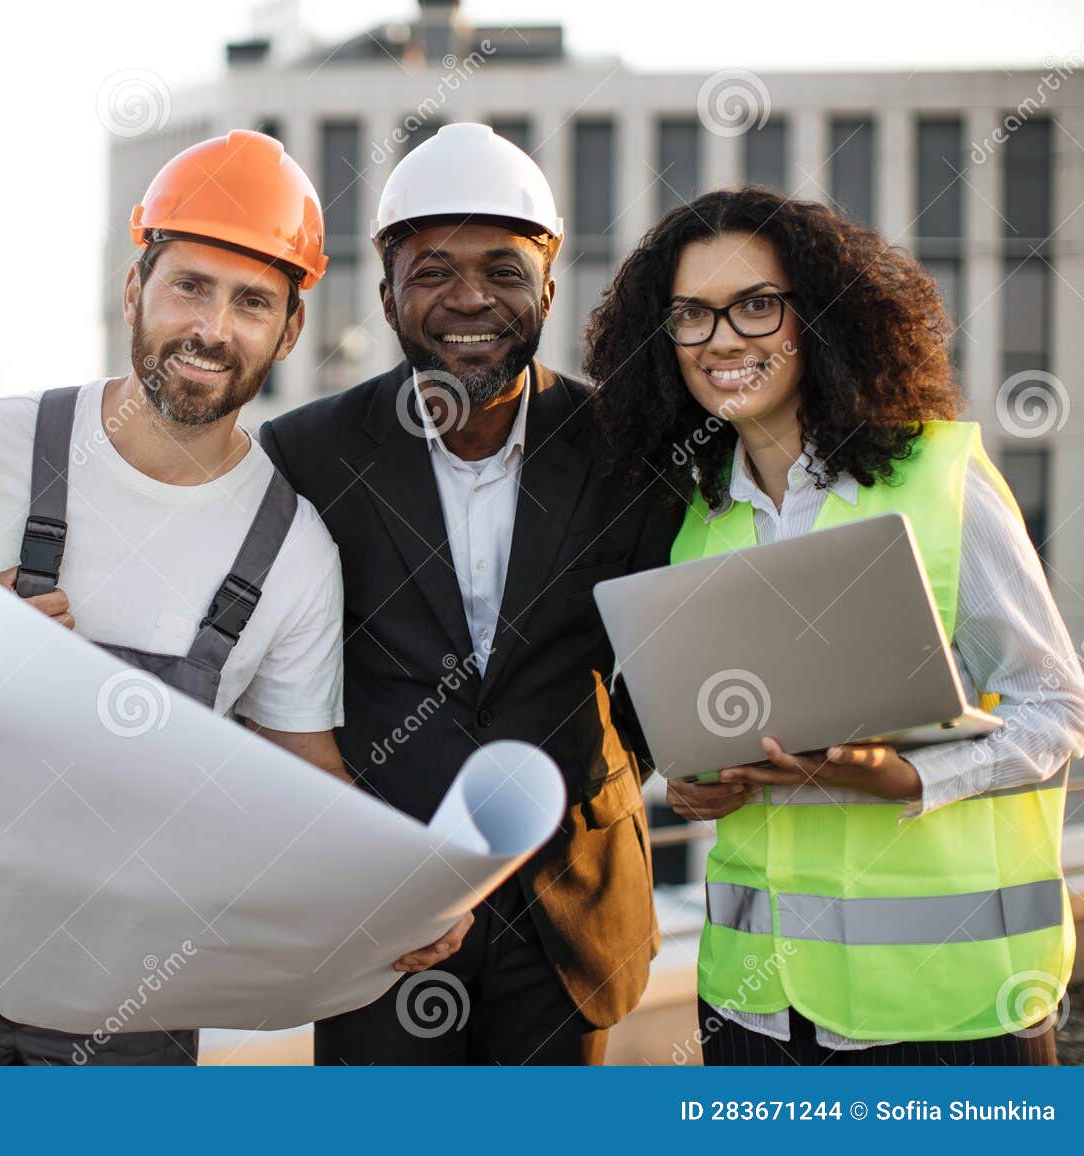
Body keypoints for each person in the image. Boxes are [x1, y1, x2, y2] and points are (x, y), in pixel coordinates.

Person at [0, 129, 436, 1066]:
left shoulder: (293, 549)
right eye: (190, 287)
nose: (214, 327)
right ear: (134, 291)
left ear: (290, 329)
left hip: (139, 1004)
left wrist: (398, 894)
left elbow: (306, 773)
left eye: (252, 301)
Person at [586, 185, 1084, 1065]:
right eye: (691, 316)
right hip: (757, 1014)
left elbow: (1056, 708)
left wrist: (909, 779)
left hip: (949, 1012)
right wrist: (698, 784)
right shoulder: (695, 523)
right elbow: (716, 735)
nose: (723, 339)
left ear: (817, 319)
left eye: (756, 305)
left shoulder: (940, 481)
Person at [259, 123, 681, 1065]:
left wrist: (585, 793)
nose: (469, 299)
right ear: (388, 295)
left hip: (570, 915)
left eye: (501, 269)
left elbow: (656, 676)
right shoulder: (306, 455)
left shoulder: (633, 449)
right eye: (433, 271)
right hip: (384, 917)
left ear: (548, 286)